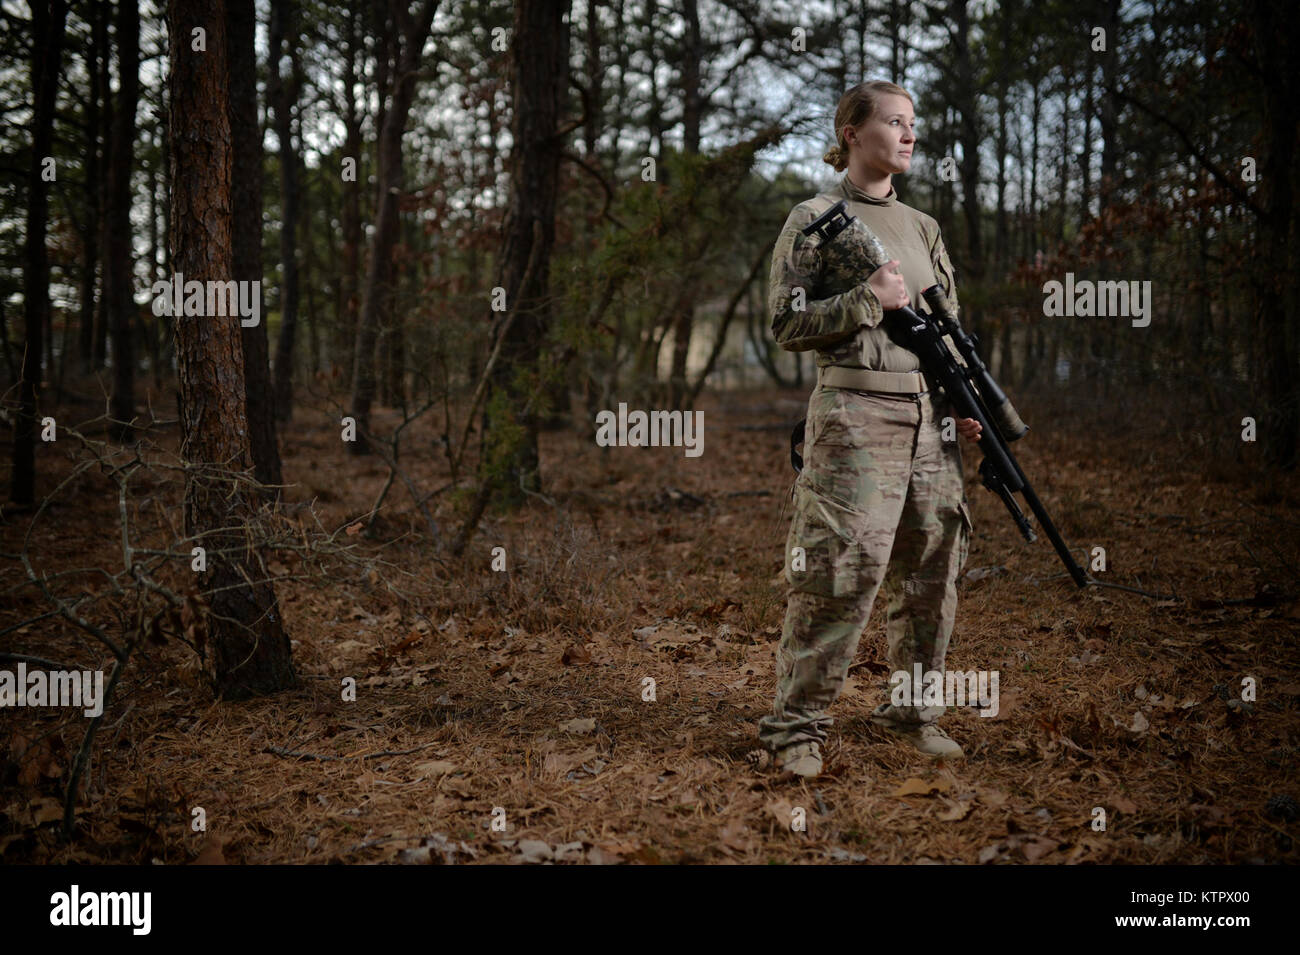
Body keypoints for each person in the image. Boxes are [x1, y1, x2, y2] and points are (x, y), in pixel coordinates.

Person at [758, 80, 983, 778]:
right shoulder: (813, 217)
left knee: (933, 568)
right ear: (852, 131)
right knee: (838, 569)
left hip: (930, 421)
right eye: (894, 121)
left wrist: (964, 400)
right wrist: (865, 300)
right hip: (855, 416)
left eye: (913, 123)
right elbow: (785, 323)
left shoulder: (922, 227)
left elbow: (946, 334)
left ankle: (912, 710)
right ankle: (796, 727)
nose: (909, 134)